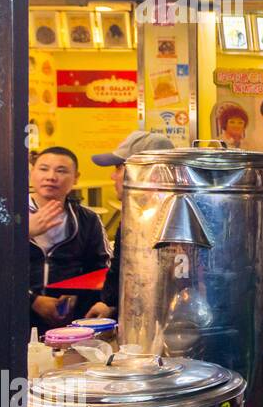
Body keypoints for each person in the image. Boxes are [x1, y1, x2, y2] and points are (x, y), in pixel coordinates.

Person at [82, 130, 174, 321]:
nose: (112, 176)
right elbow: (123, 265)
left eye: (118, 168)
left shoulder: (175, 215)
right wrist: (108, 303)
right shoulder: (133, 215)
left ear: (146, 171)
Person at [28, 146, 111, 333]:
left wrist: (77, 294)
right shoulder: (10, 215)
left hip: (71, 322)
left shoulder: (87, 219)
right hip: (15, 317)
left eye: (61, 171)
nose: (51, 177)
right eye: (43, 169)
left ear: (76, 178)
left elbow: (101, 268)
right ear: (32, 173)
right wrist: (33, 300)